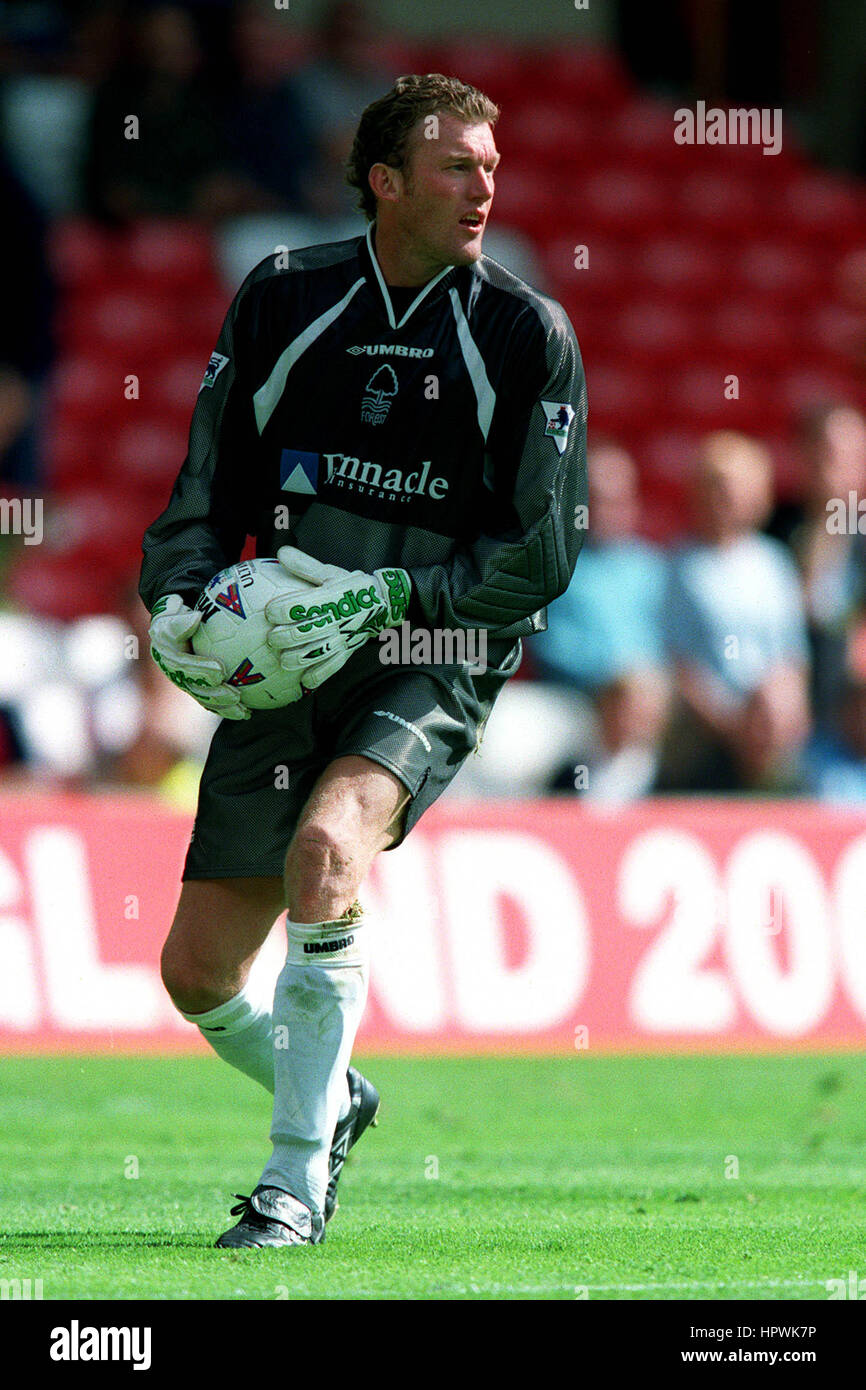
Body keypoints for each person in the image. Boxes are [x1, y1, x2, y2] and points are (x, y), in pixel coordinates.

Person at [139, 73, 587, 1248]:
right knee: (194, 973)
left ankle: (290, 1185)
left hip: (432, 646)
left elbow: (540, 553)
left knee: (329, 846)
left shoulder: (524, 333)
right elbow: (210, 478)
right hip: (289, 638)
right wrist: (176, 588)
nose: (485, 183)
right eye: (457, 165)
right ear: (384, 181)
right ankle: (336, 1095)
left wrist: (402, 593)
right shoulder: (284, 297)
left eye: (493, 165)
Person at [658, 430, 811, 793]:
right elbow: (678, 664)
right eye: (716, 484)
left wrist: (781, 712)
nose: (725, 495)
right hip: (707, 733)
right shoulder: (681, 566)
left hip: (772, 729)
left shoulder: (774, 562)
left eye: (736, 485)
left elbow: (793, 656)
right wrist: (734, 726)